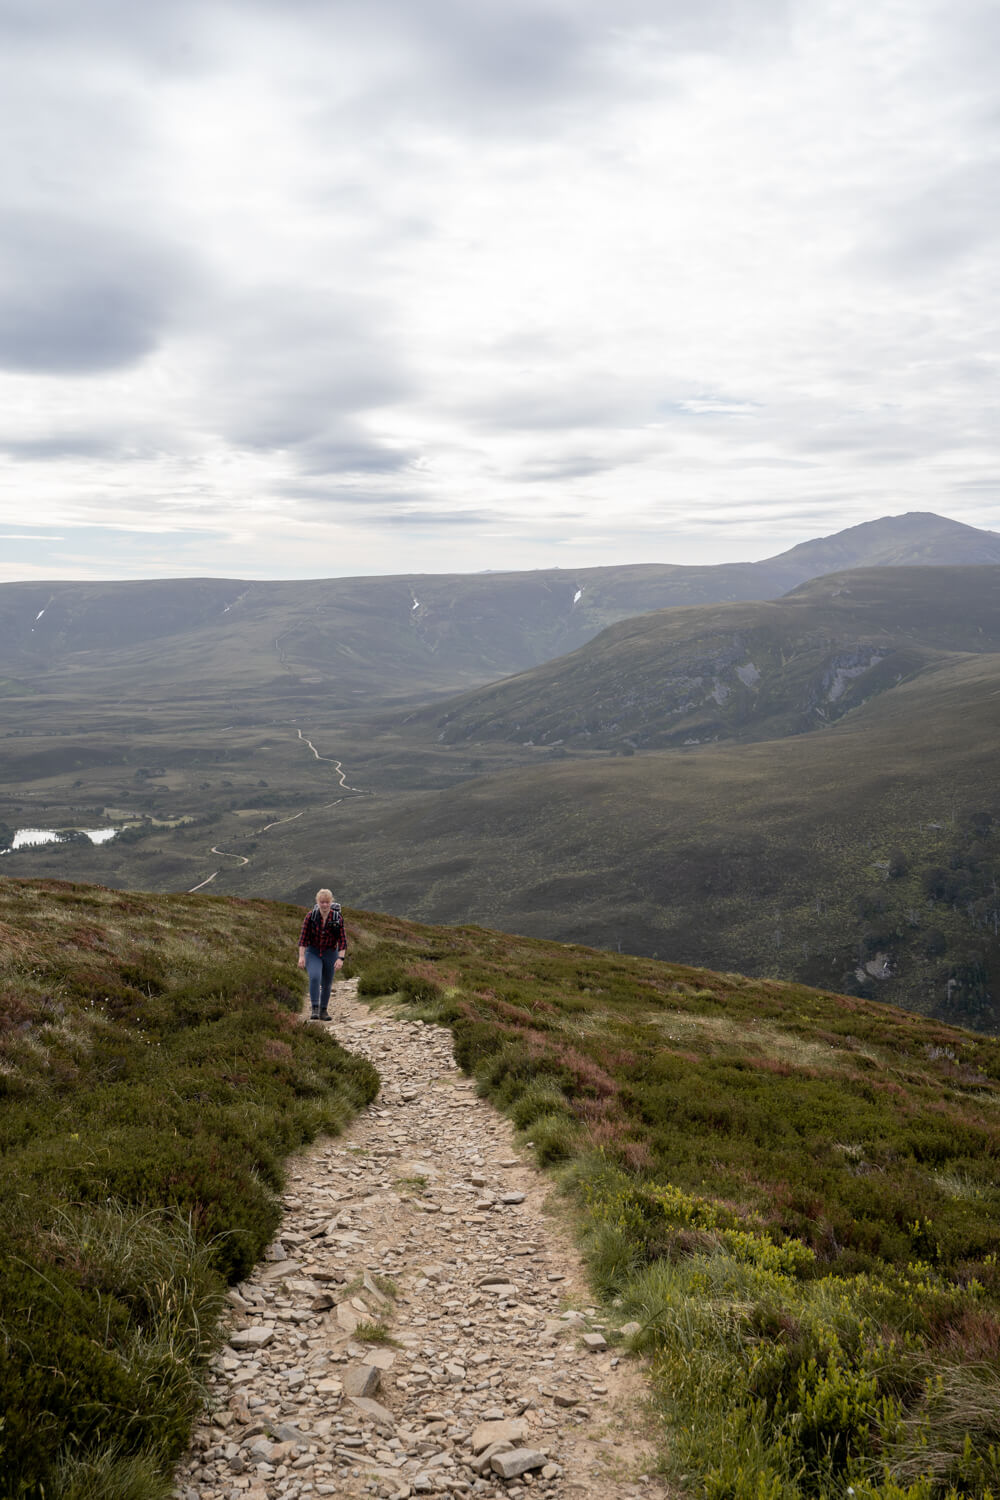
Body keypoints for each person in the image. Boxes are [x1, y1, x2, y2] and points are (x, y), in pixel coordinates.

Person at [298, 888, 347, 1020]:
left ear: (331, 902)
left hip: (330, 952)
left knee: (327, 983)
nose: (324, 905)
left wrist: (340, 958)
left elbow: (342, 940)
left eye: (327, 902)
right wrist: (301, 956)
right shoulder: (310, 917)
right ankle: (315, 1008)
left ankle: (323, 1010)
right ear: (317, 902)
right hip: (313, 951)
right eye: (322, 902)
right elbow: (303, 938)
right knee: (314, 977)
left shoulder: (337, 918)